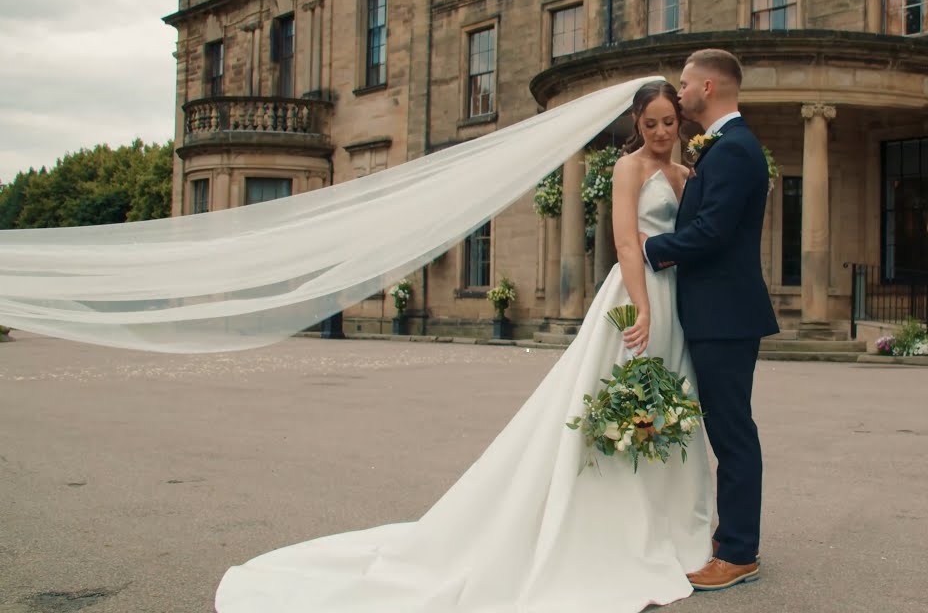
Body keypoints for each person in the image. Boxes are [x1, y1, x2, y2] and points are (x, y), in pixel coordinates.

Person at [214, 81, 715, 613]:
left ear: (679, 122)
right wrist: (642, 308)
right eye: (650, 123)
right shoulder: (627, 169)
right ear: (637, 123)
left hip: (675, 297)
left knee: (667, 407)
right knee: (620, 403)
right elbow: (625, 243)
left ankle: (663, 520)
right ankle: (612, 524)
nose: (660, 132)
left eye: (668, 122)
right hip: (636, 295)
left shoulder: (685, 174)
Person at [643, 49, 779, 591]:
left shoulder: (736, 149)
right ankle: (729, 539)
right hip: (714, 314)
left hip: (725, 317)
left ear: (708, 87)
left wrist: (650, 249)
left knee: (732, 432)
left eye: (684, 84)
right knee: (726, 429)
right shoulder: (722, 147)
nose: (678, 93)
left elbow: (712, 233)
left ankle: (739, 551)